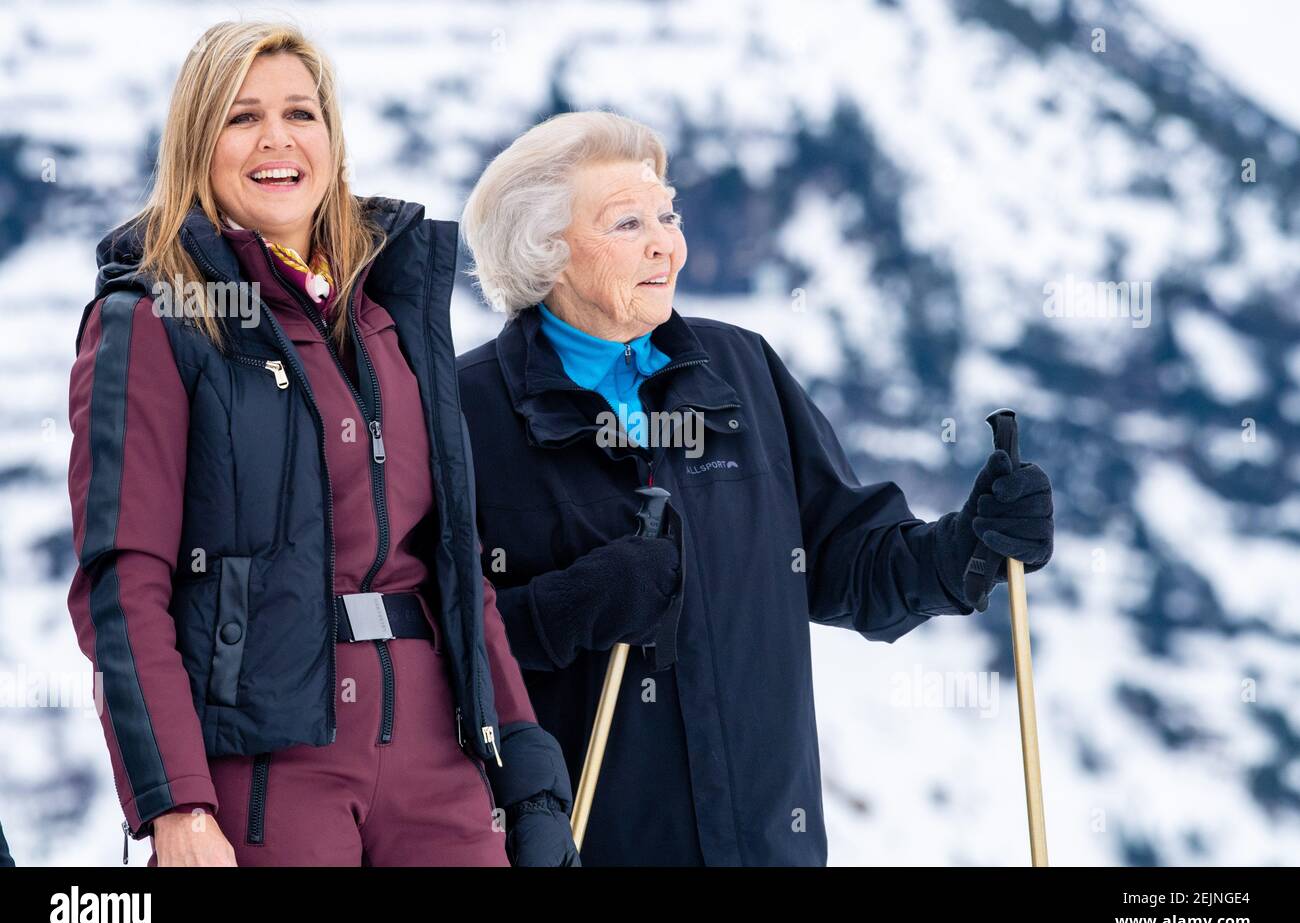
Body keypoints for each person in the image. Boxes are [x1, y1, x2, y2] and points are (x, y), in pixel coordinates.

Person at [455, 110, 1054, 865]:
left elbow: (844, 561)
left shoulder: (739, 370)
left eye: (667, 215)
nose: (664, 242)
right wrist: (567, 608)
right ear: (545, 253)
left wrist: (969, 546)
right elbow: (434, 654)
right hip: (586, 848)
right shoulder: (466, 412)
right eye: (627, 222)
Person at [66, 21, 578, 866]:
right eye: (241, 117)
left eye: (301, 113)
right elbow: (122, 584)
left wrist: (527, 773)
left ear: (334, 142)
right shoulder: (155, 319)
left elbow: (455, 563)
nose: (277, 139)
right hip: (266, 771)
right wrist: (176, 806)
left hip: (436, 761)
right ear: (198, 144)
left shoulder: (391, 313)